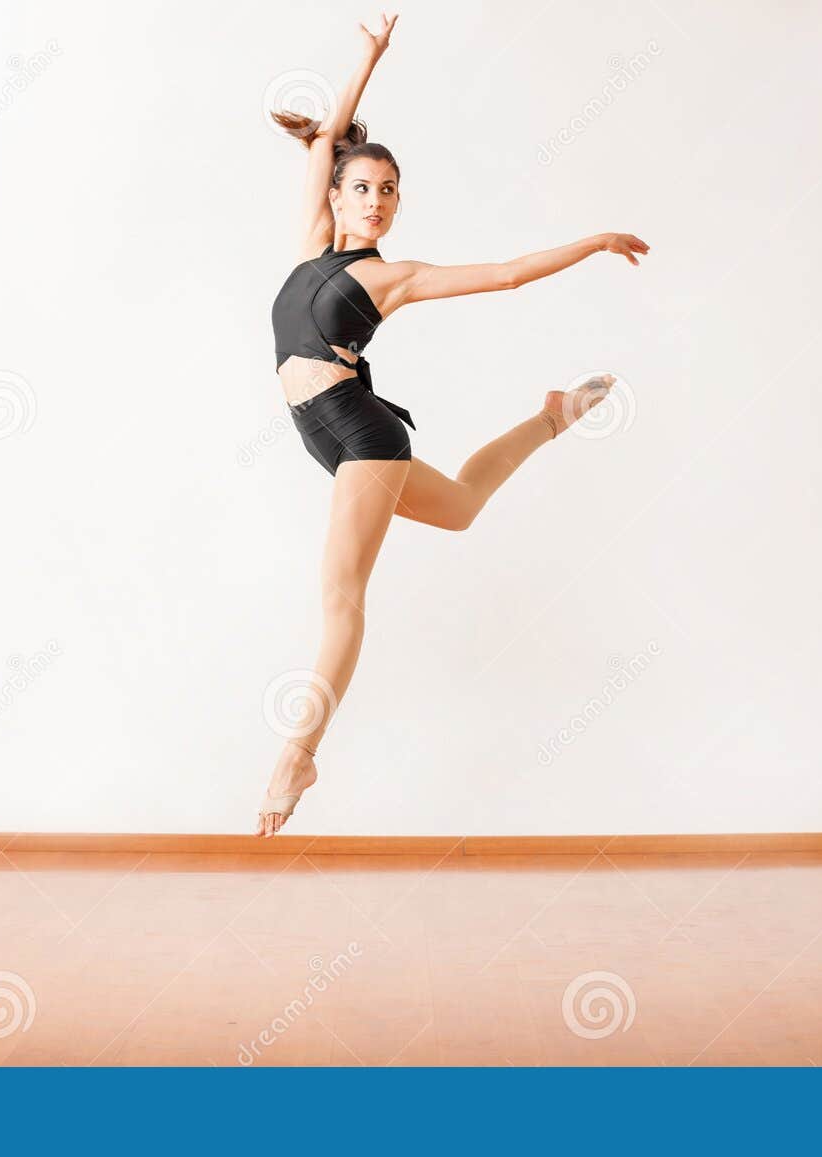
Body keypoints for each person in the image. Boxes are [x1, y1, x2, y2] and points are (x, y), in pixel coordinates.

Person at [258, 11, 650, 835]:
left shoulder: (391, 276)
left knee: (339, 599)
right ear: (336, 193)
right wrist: (368, 56)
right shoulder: (308, 243)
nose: (376, 200)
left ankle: (298, 752)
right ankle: (555, 416)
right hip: (320, 434)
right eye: (362, 186)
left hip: (358, 429)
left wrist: (592, 240)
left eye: (389, 191)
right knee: (465, 507)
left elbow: (505, 275)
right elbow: (329, 136)